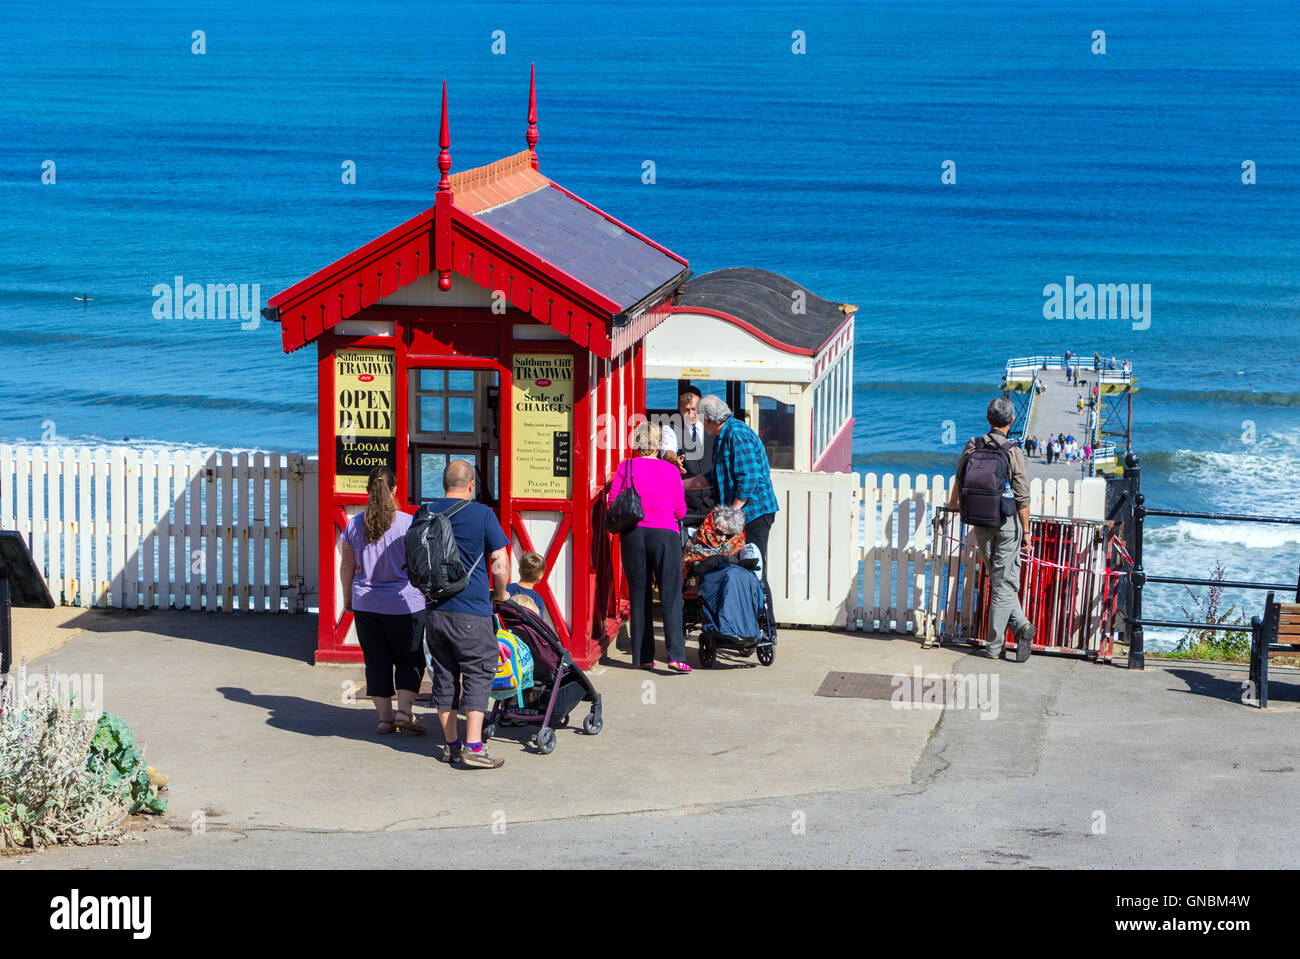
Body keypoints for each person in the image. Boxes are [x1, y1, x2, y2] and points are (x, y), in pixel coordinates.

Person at [419, 460, 511, 769]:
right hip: (472, 611)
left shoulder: (426, 513)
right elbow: (500, 559)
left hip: (434, 612)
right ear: (470, 486)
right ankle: (474, 746)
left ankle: (451, 745)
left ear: (444, 484)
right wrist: (500, 593)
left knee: (443, 677)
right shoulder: (483, 514)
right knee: (478, 673)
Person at [339, 466, 428, 736]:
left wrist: (347, 597)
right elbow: (419, 564)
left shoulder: (354, 524)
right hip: (405, 603)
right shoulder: (407, 522)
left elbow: (346, 566)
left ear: (367, 492)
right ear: (395, 491)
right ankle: (404, 712)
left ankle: (384, 719)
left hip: (366, 603)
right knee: (409, 659)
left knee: (376, 660)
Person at [947, 398, 1035, 660]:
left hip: (980, 522)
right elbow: (1022, 496)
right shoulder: (1013, 451)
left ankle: (1022, 627)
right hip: (1007, 524)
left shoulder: (972, 444)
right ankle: (995, 646)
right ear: (1011, 422)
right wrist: (1026, 533)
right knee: (1003, 584)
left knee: (1000, 582)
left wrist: (954, 505)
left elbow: (959, 478)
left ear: (988, 419)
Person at [685, 395, 780, 632]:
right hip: (740, 515)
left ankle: (766, 627)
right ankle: (740, 623)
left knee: (753, 567)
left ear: (709, 419)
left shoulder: (737, 435)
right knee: (734, 568)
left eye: (700, 417)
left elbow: (748, 480)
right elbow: (714, 477)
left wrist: (730, 515)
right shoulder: (722, 436)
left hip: (755, 514)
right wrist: (682, 484)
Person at [609, 421, 690, 672]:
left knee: (639, 593)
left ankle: (643, 656)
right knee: (670, 594)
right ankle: (676, 655)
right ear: (658, 445)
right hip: (665, 534)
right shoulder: (671, 471)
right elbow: (680, 510)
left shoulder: (627, 466)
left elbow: (613, 500)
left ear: (637, 444)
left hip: (634, 533)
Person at [660, 385, 717, 521]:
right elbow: (667, 450)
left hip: (714, 503)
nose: (691, 414)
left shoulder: (713, 427)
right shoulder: (671, 429)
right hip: (686, 505)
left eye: (694, 409)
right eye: (686, 410)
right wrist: (674, 459)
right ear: (680, 410)